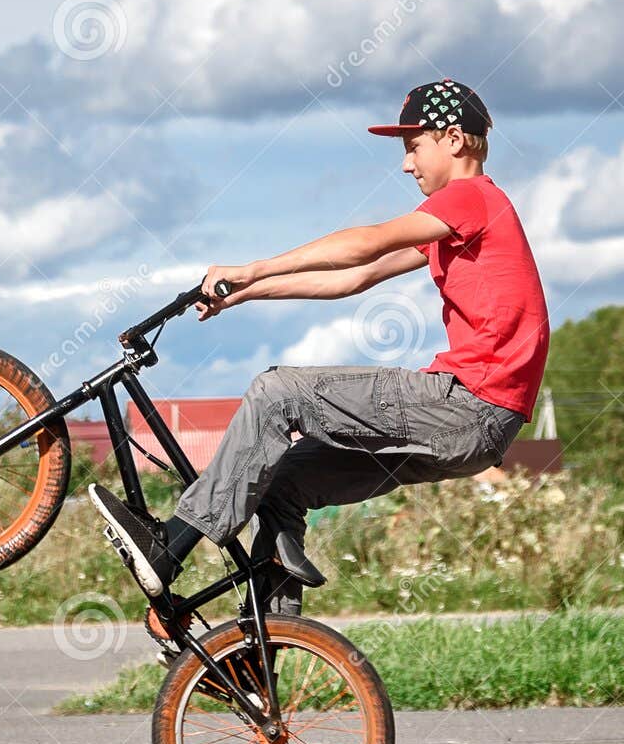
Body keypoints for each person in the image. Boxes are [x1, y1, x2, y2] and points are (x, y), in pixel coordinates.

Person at [90, 78, 549, 616]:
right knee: (282, 482)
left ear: (453, 138)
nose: (406, 164)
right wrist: (246, 291)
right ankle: (261, 653)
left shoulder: (471, 197)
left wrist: (253, 265)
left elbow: (364, 244)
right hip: (479, 429)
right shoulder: (455, 223)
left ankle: (170, 547)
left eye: (412, 146)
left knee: (278, 391)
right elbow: (352, 278)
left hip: (467, 404)